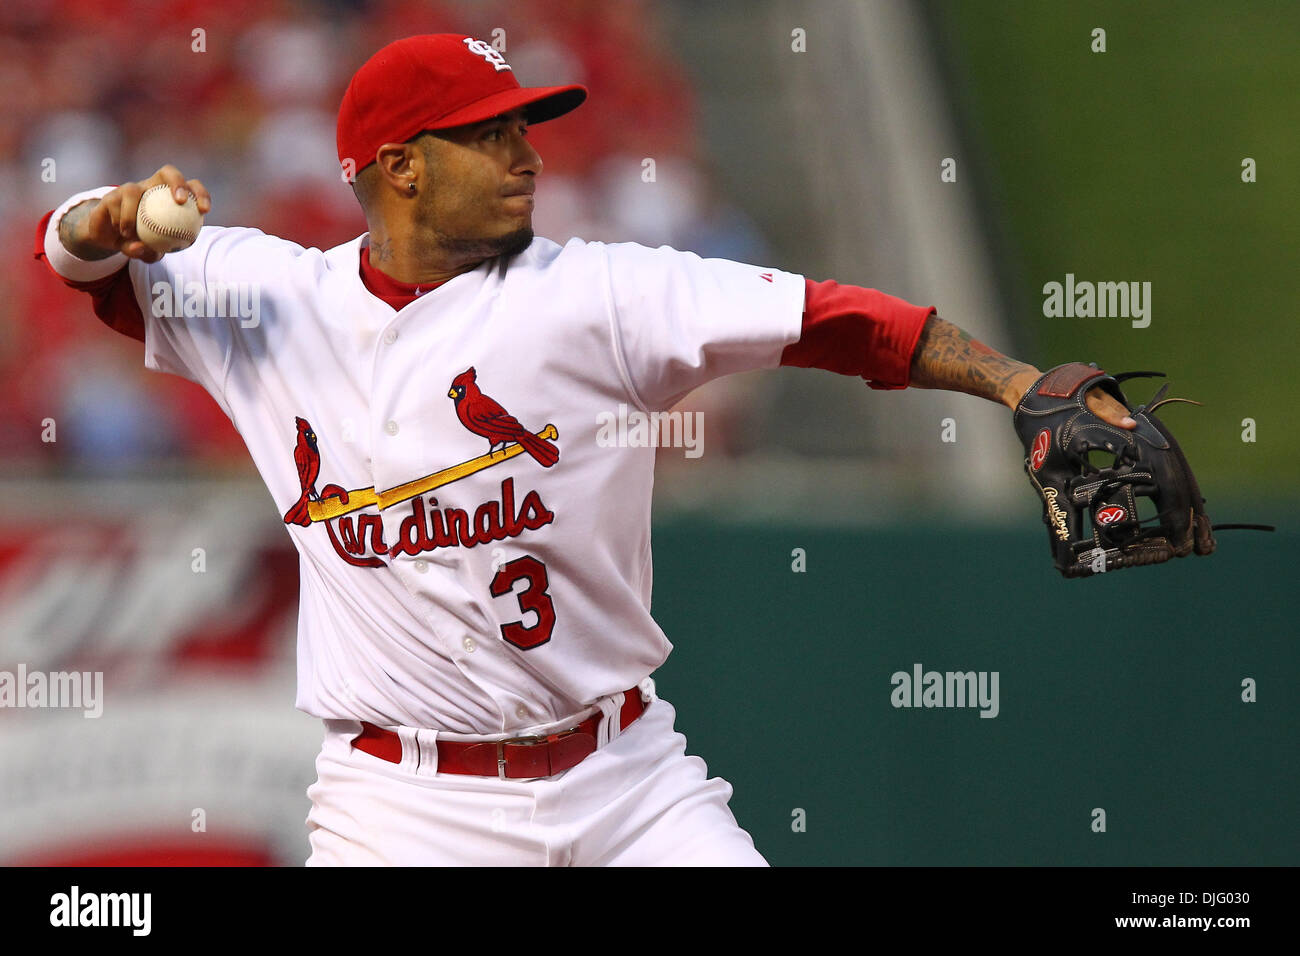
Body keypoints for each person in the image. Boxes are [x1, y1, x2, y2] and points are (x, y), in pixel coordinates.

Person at [35, 34, 1134, 866]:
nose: (527, 154)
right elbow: (77, 259)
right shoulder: (268, 296)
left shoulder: (598, 294)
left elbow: (833, 319)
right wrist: (108, 213)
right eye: (491, 134)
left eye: (525, 127)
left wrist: (1013, 383)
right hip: (403, 807)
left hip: (625, 777)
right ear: (401, 168)